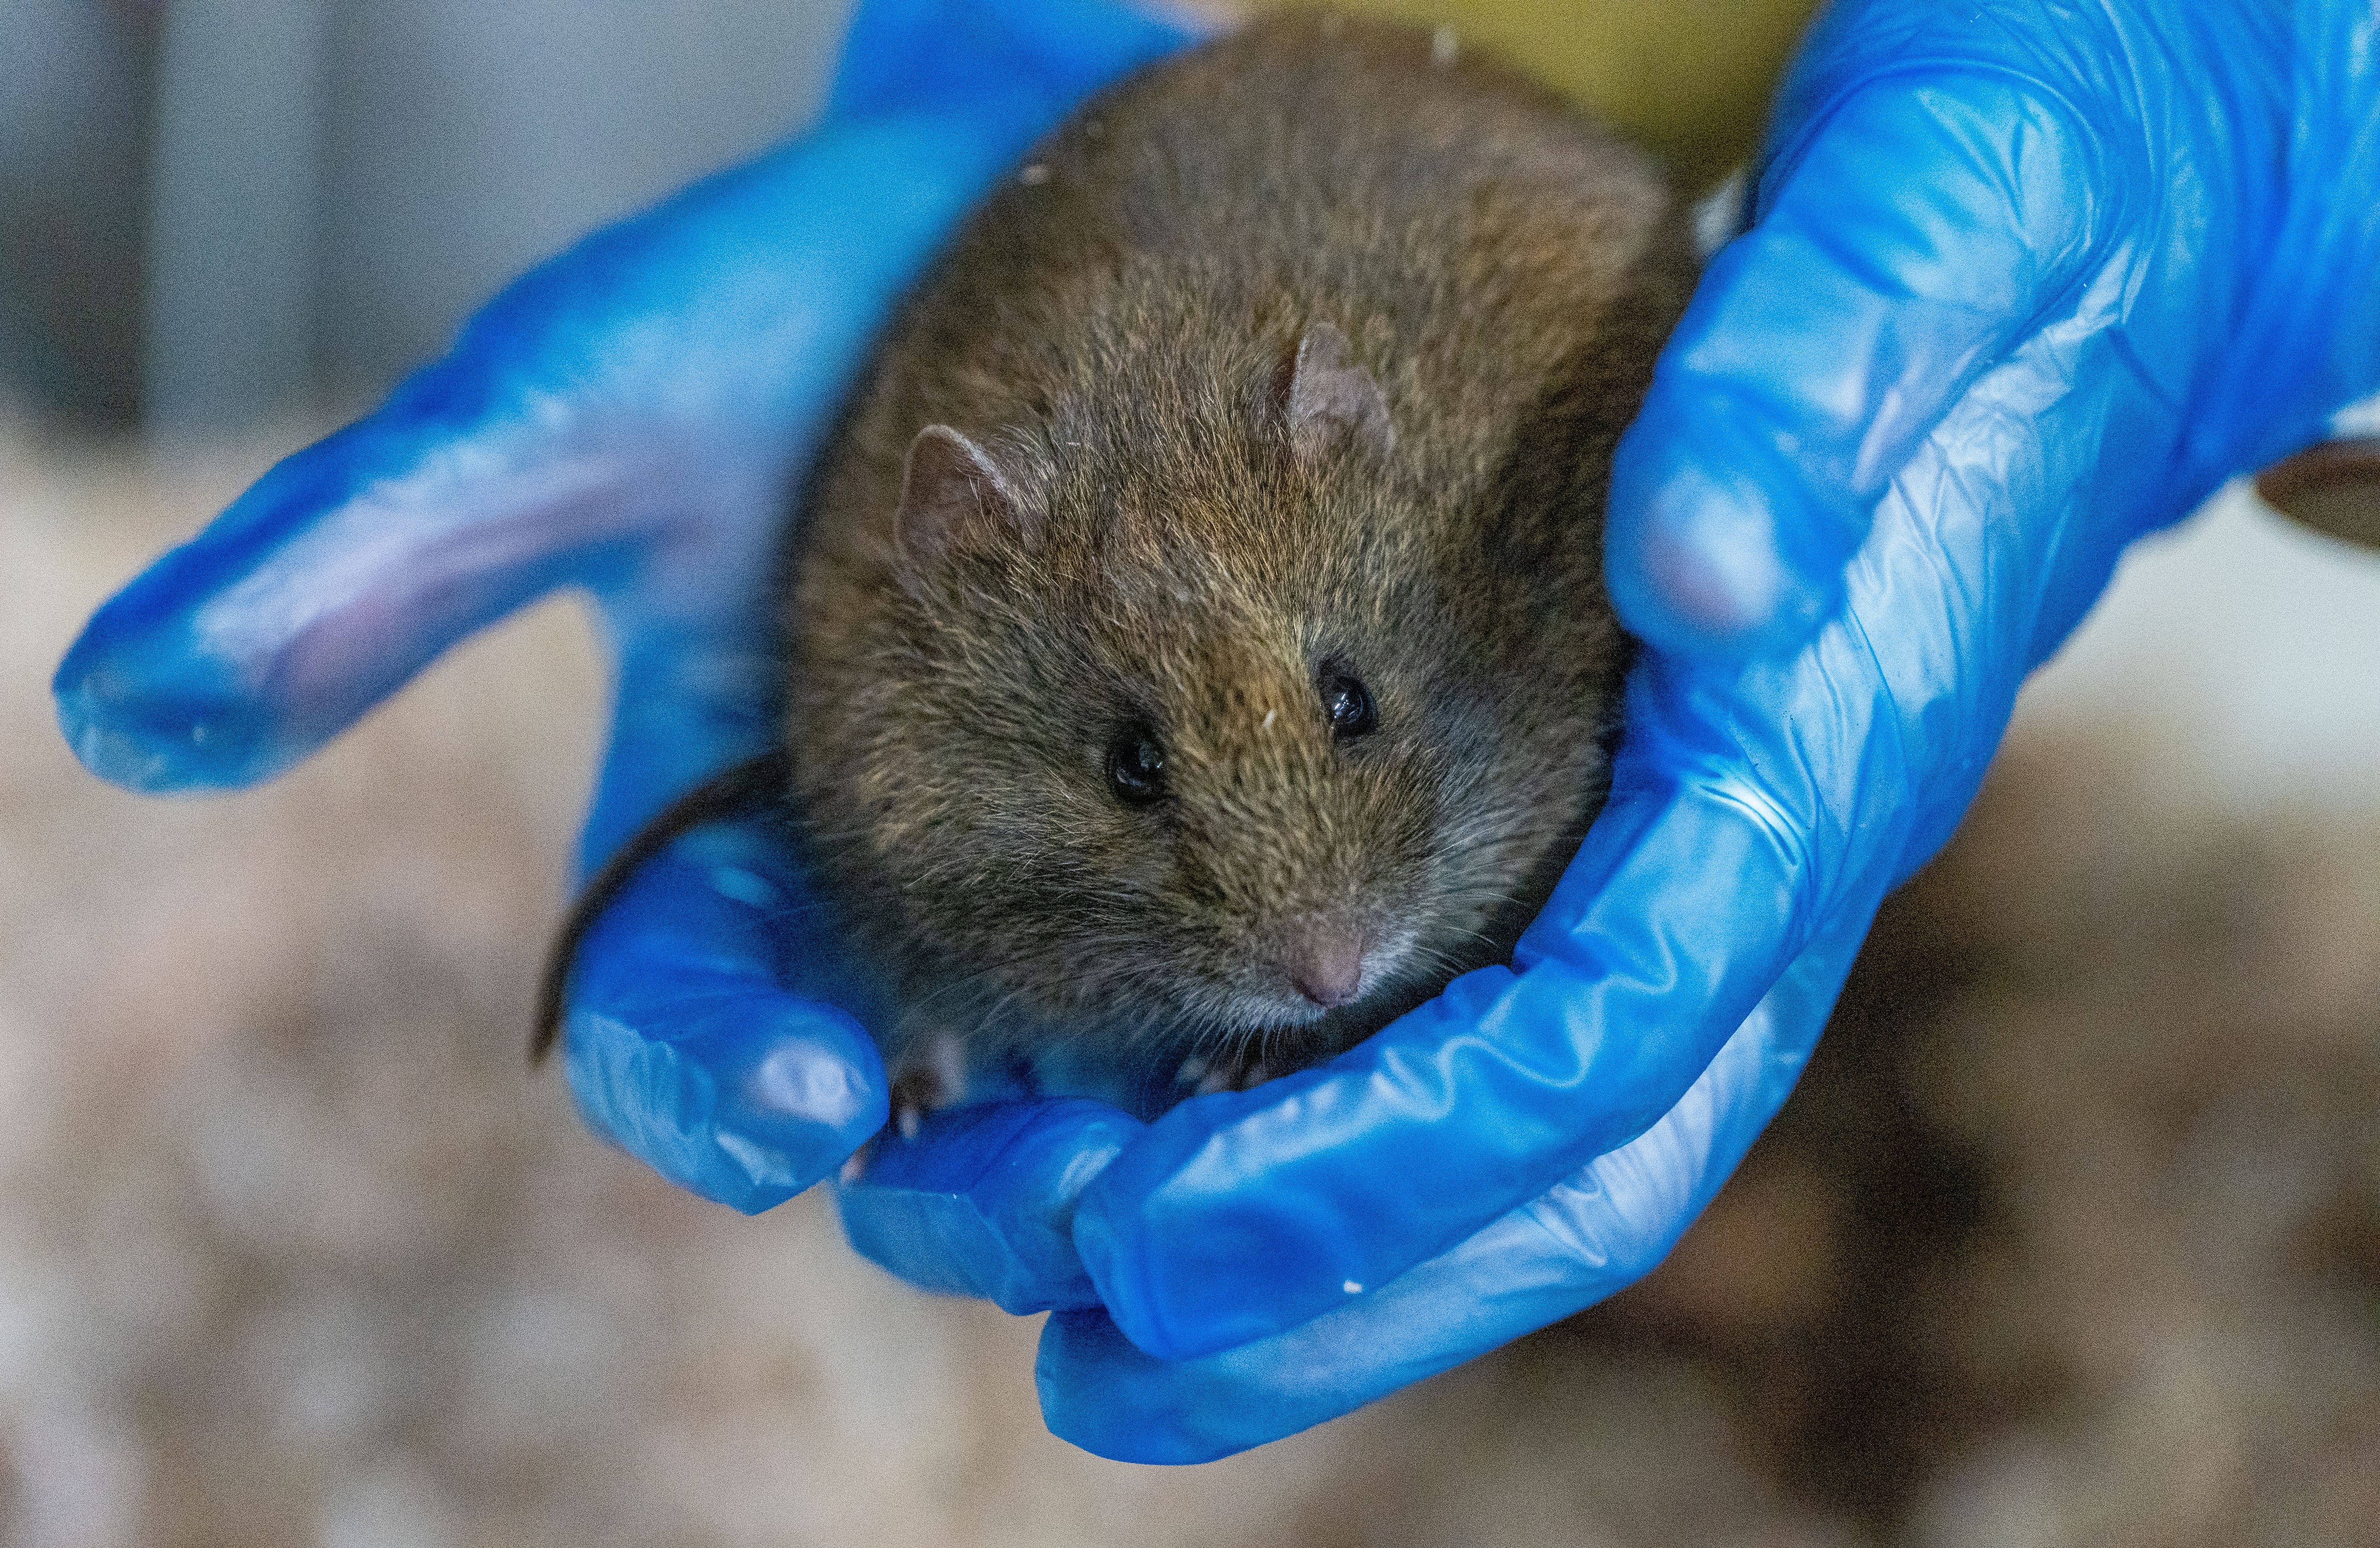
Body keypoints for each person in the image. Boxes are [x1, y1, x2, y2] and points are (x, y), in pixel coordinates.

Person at [53, 0, 2379, 1463]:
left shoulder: (1438, 506)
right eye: (1148, 773)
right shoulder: (954, 632)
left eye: (1347, 718)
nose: (1316, 934)